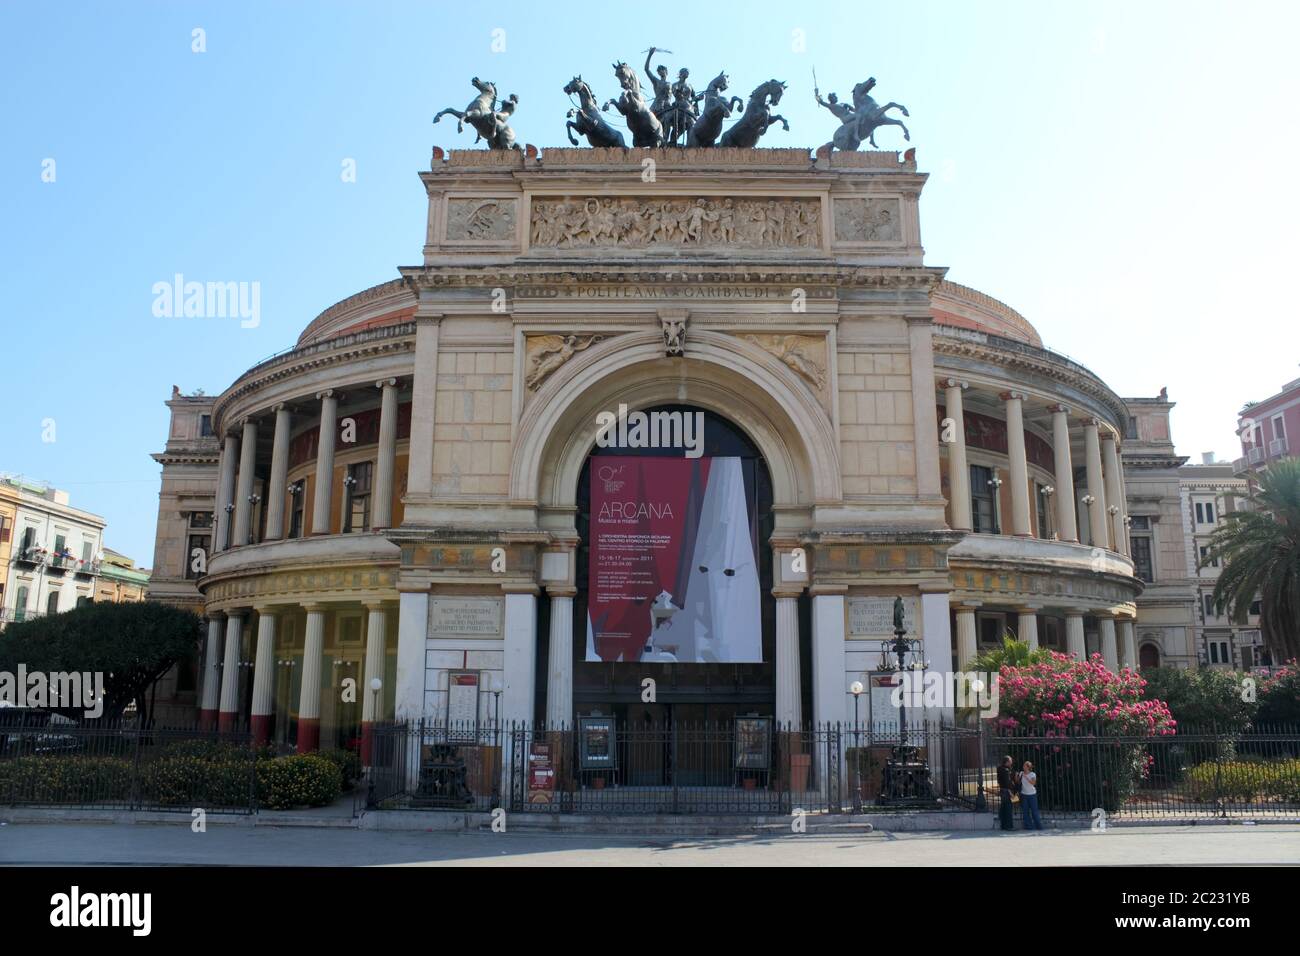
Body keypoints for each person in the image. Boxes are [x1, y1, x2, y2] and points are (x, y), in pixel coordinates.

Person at [1017, 760, 1043, 831]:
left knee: (1034, 811)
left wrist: (1026, 777)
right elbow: (1018, 781)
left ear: (1028, 767)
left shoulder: (1032, 774)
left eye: (1024, 765)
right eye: (1023, 765)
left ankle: (1039, 826)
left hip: (1032, 794)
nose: (1023, 767)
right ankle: (1028, 826)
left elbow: (1033, 783)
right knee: (1025, 811)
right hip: (1024, 794)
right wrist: (1017, 777)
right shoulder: (1021, 773)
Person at [996, 755, 1016, 831]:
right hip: (1007, 791)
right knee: (1008, 809)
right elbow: (1008, 782)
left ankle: (1003, 825)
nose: (1011, 762)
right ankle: (1009, 826)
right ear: (1007, 762)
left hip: (1002, 790)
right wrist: (1011, 791)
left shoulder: (1000, 769)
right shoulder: (1006, 770)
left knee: (1004, 808)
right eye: (1010, 761)